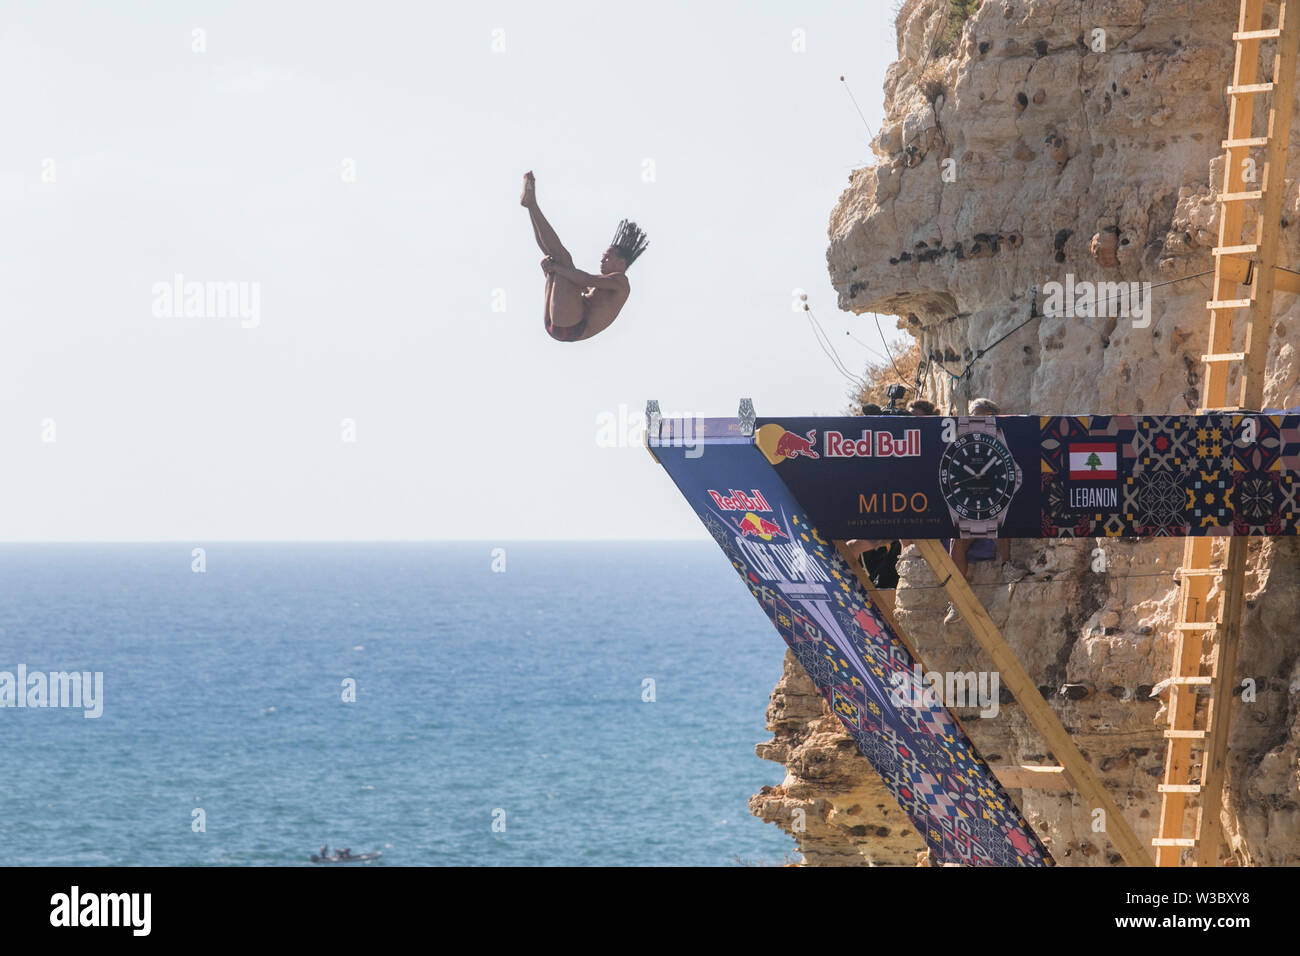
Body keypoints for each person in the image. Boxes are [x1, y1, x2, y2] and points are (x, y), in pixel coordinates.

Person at [521, 171, 648, 342]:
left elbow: (585, 279)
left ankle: (532, 205)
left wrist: (557, 269)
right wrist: (550, 271)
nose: (602, 261)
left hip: (572, 326)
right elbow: (574, 284)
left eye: (607, 257)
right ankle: (531, 206)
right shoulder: (602, 285)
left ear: (621, 262)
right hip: (557, 322)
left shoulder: (620, 282)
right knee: (555, 259)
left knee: (563, 261)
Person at [949, 397, 1011, 580]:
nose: (974, 420)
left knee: (1000, 526)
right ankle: (958, 592)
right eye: (972, 416)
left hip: (993, 502)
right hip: (968, 504)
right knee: (957, 541)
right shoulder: (962, 441)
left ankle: (1007, 568)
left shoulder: (1003, 438)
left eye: (979, 416)